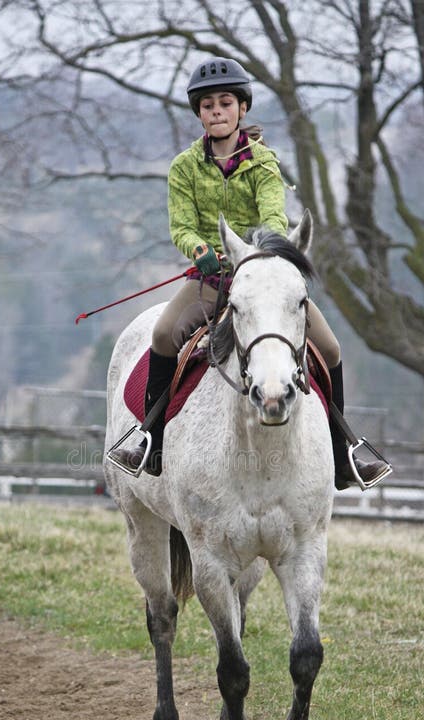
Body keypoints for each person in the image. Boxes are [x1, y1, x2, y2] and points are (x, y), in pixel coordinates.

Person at [109, 57, 390, 489]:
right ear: (199, 114)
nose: (216, 111)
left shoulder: (263, 163)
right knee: (164, 335)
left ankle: (342, 453)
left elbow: (274, 219)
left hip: (262, 278)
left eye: (225, 103)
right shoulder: (183, 167)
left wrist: (257, 256)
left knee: (330, 349)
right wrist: (199, 248)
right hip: (210, 279)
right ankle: (150, 438)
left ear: (242, 109)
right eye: (207, 106)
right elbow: (181, 225)